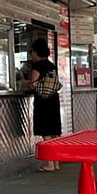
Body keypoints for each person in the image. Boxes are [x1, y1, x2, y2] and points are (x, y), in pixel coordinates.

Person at [29, 37, 61, 171]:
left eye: (32, 51)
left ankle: (50, 164)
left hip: (43, 101)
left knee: (46, 132)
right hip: (53, 99)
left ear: (36, 52)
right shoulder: (51, 65)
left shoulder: (37, 67)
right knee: (53, 132)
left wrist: (26, 82)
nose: (31, 54)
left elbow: (33, 85)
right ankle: (56, 163)